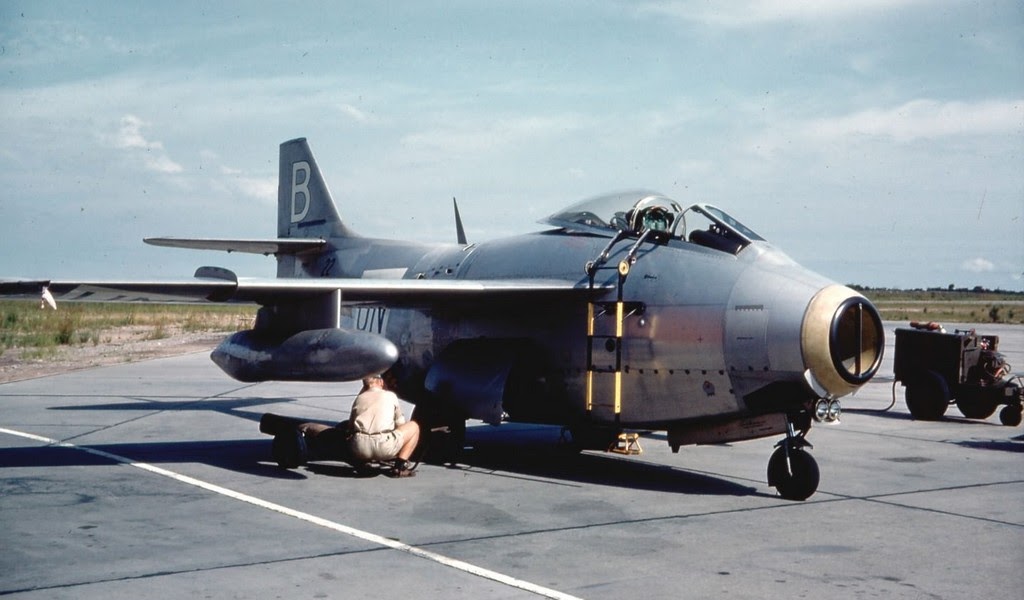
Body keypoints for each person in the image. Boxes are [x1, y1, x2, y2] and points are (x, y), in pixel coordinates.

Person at [347, 374, 420, 477]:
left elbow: (350, 427)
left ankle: (363, 463)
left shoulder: (359, 398)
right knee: (414, 427)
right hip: (383, 446)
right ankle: (399, 467)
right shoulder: (390, 396)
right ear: (380, 382)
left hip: (360, 448)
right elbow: (400, 424)